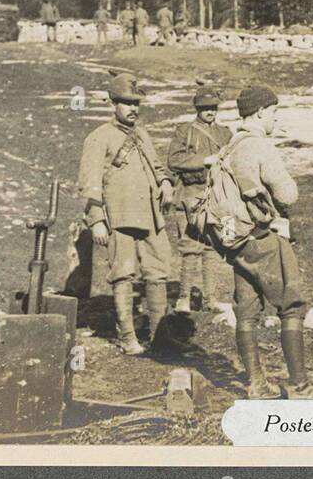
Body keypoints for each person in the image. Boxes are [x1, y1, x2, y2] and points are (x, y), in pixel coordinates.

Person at [222, 85, 313, 399]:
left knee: (246, 311)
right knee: (291, 306)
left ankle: (256, 383)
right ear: (260, 112)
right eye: (274, 111)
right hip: (263, 235)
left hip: (237, 240)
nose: (275, 117)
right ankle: (300, 387)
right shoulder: (259, 145)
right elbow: (287, 194)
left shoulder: (231, 144)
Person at [77, 72, 175, 354]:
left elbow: (156, 166)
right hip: (120, 217)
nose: (133, 109)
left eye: (136, 104)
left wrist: (166, 182)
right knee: (123, 275)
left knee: (157, 273)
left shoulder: (141, 134)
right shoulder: (99, 138)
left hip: (151, 215)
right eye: (127, 103)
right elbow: (90, 182)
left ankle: (159, 336)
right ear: (113, 104)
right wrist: (96, 220)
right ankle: (127, 337)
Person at [166, 87, 231, 312]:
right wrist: (205, 160)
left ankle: (210, 299)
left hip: (214, 196)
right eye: (205, 108)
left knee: (211, 247)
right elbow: (173, 161)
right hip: (189, 195)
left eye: (213, 108)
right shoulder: (185, 131)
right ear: (197, 108)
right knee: (190, 247)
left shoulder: (225, 133)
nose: (210, 112)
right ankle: (184, 297)